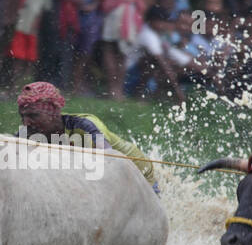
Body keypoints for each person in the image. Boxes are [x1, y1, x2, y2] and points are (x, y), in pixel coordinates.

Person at [15, 81, 156, 189]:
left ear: (54, 112)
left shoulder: (85, 125)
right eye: (23, 116)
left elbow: (108, 158)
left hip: (137, 172)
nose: (26, 122)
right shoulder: (27, 133)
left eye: (33, 115)